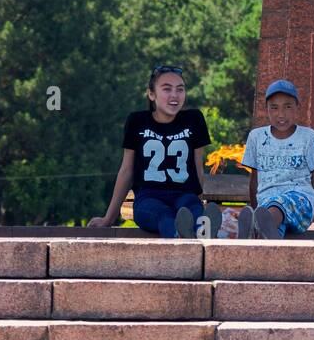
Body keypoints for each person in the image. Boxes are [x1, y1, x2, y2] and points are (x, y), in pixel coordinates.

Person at [88, 65, 220, 238]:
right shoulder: (137, 121)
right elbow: (127, 170)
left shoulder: (194, 119)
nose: (174, 95)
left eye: (180, 89)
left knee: (191, 208)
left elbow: (198, 166)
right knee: (164, 215)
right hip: (148, 198)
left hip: (184, 194)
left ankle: (208, 232)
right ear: (151, 94)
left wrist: (197, 196)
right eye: (167, 89)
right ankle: (183, 235)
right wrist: (109, 218)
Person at [238, 80, 314, 238]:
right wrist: (255, 210)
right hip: (266, 205)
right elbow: (254, 180)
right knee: (272, 229)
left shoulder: (308, 137)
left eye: (288, 106)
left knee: (278, 204)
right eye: (274, 107)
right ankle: (261, 233)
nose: (281, 114)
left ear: (298, 108)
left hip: (300, 204)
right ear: (266, 110)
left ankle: (256, 227)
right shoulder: (256, 137)